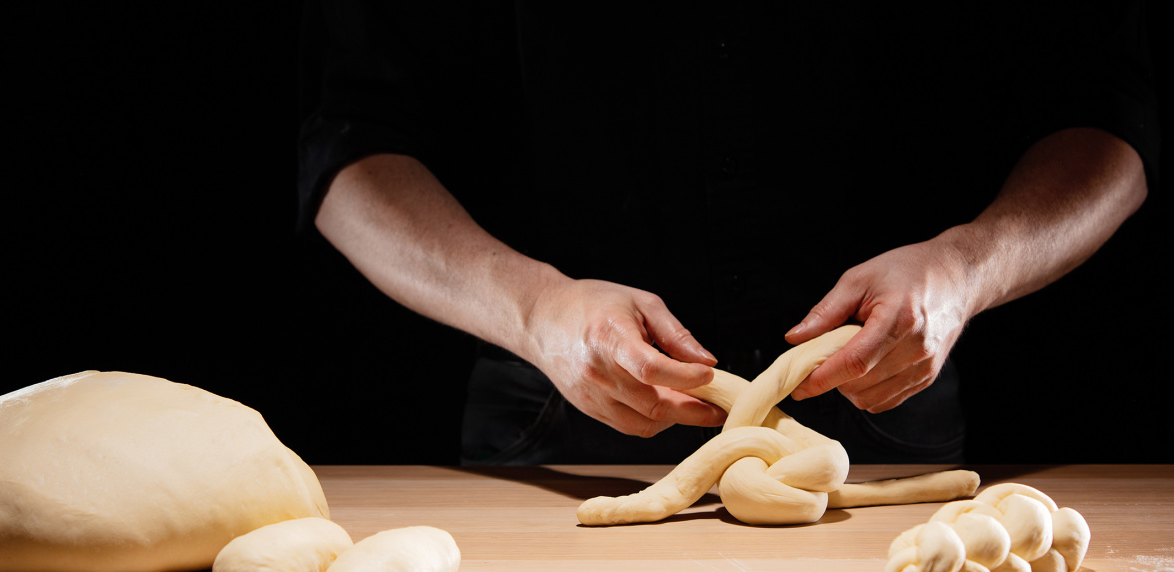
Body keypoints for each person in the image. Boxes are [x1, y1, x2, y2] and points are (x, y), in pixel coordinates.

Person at [298, 2, 1158, 465]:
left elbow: (1112, 119)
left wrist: (967, 268)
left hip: (883, 408)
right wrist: (536, 310)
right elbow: (350, 148)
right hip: (556, 418)